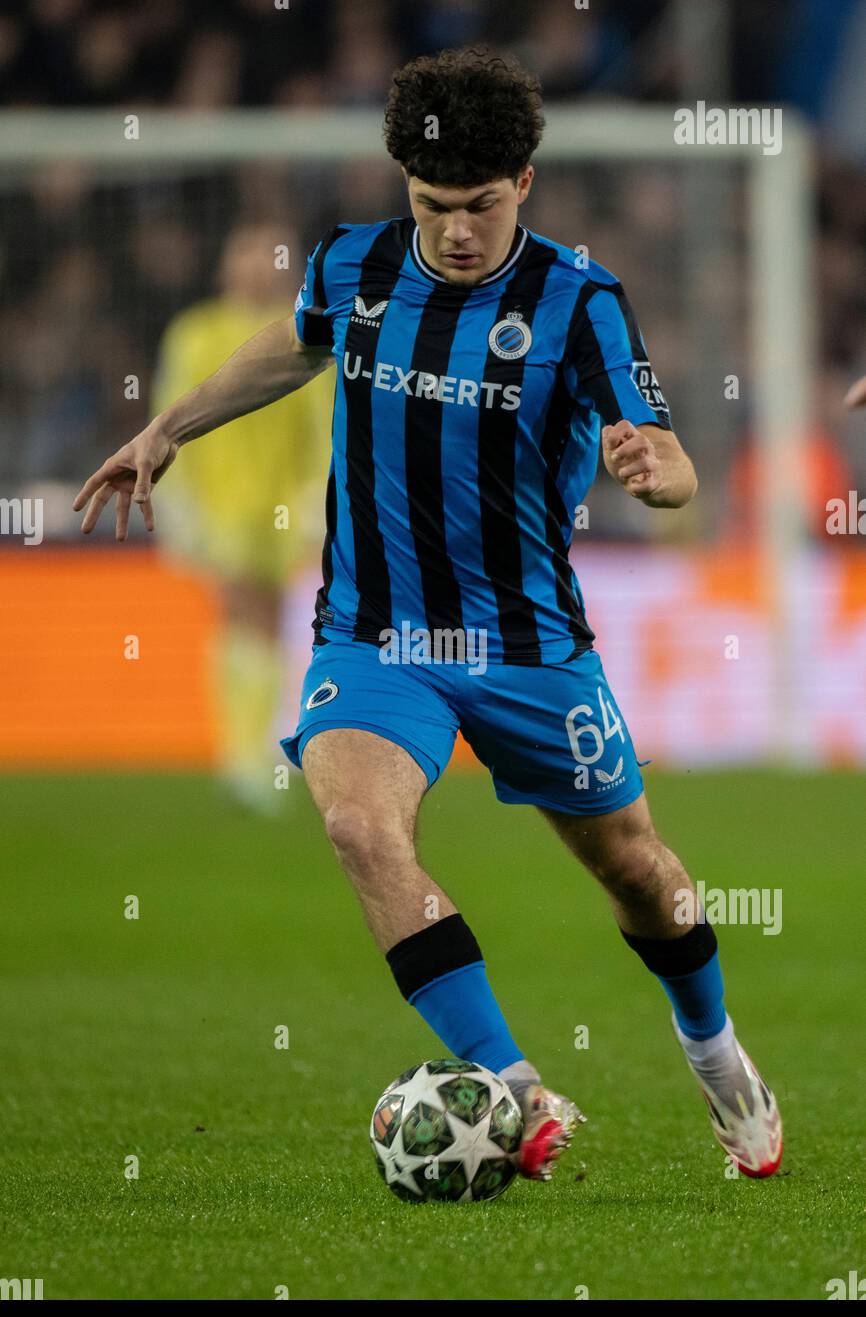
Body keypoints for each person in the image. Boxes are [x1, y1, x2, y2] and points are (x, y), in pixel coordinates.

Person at [73, 47, 782, 1185]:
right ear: (406, 189)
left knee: (637, 871)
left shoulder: (576, 298)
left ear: (526, 185)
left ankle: (712, 1049)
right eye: (433, 207)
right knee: (358, 826)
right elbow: (295, 341)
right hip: (373, 634)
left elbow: (669, 456)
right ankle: (515, 1090)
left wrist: (659, 473)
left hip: (529, 648)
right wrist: (170, 427)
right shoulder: (354, 267)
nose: (454, 231)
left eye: (480, 208)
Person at [151, 222, 333, 811]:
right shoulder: (197, 331)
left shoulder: (299, 333)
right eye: (246, 255)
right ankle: (244, 753)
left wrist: (317, 494)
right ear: (227, 265)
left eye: (268, 257)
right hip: (221, 502)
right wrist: (177, 497)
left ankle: (255, 747)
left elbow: (320, 425)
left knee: (268, 618)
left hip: (278, 505)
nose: (258, 268)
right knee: (243, 611)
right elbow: (171, 410)